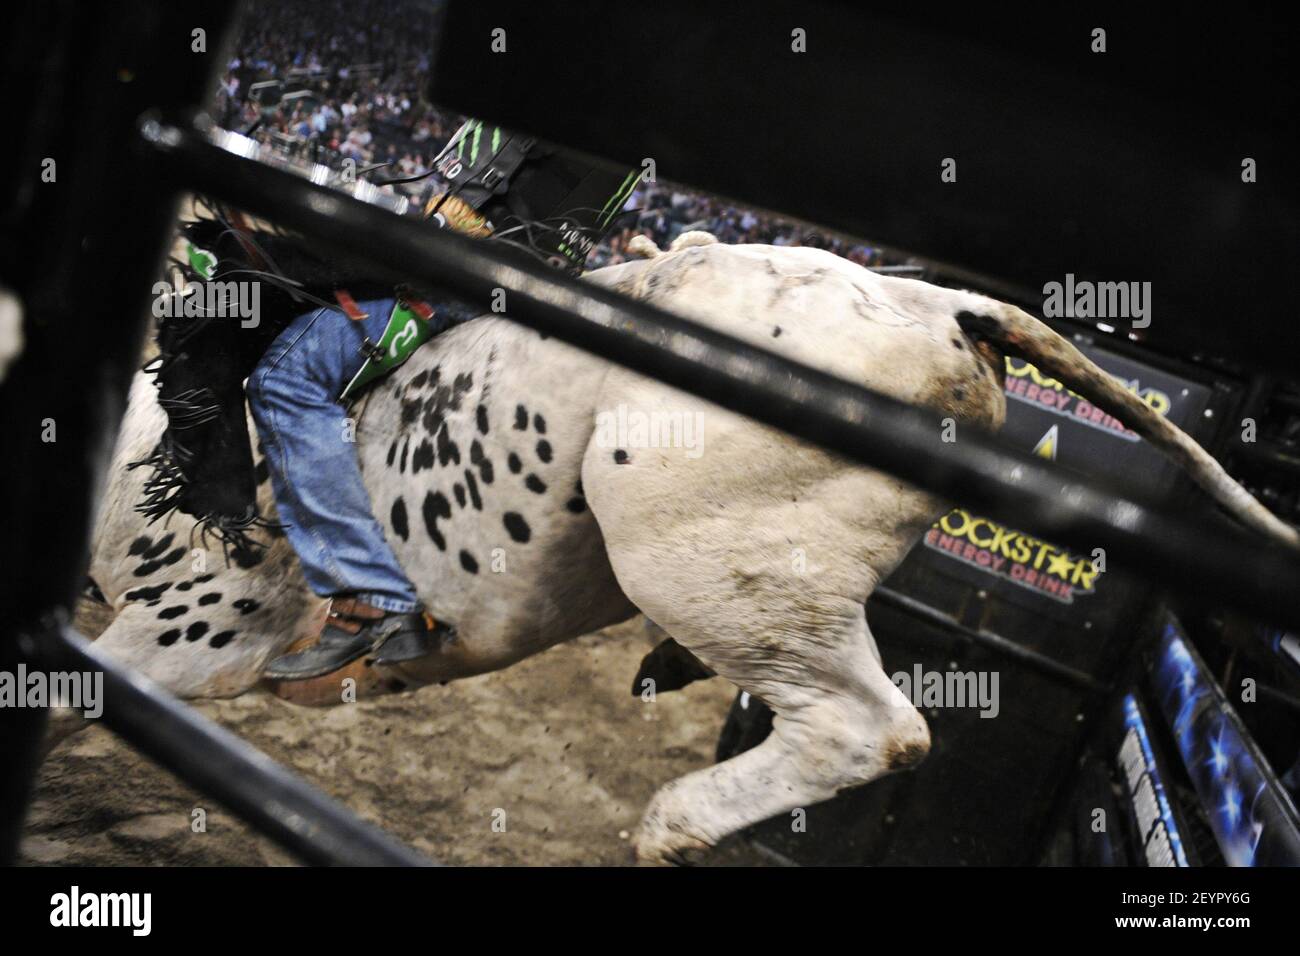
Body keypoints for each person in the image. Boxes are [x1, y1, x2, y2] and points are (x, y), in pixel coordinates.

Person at [256, 119, 639, 680]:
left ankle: (369, 597)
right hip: (538, 283)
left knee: (284, 381)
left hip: (464, 277)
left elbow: (463, 212)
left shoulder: (554, 75)